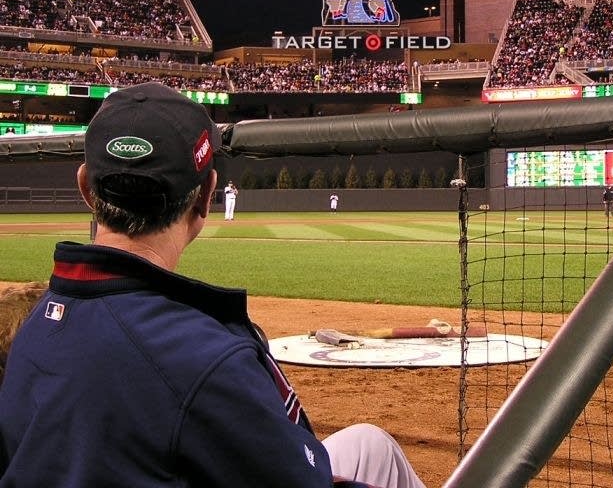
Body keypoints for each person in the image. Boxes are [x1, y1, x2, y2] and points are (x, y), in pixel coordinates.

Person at [0, 82, 425, 488]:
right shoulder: (207, 357)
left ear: (85, 189)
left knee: (369, 444)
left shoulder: (29, 322)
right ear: (206, 196)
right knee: (375, 449)